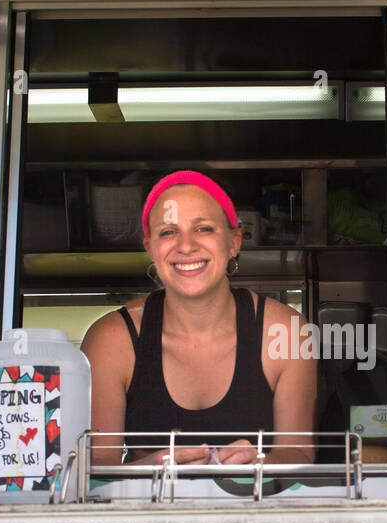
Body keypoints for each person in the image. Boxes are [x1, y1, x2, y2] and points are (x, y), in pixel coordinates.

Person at [81, 171, 317, 466]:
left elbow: (300, 454)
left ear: (234, 242)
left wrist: (260, 463)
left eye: (203, 228)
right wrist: (152, 469)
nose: (186, 245)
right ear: (151, 249)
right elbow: (96, 469)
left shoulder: (288, 332)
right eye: (168, 232)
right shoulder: (110, 340)